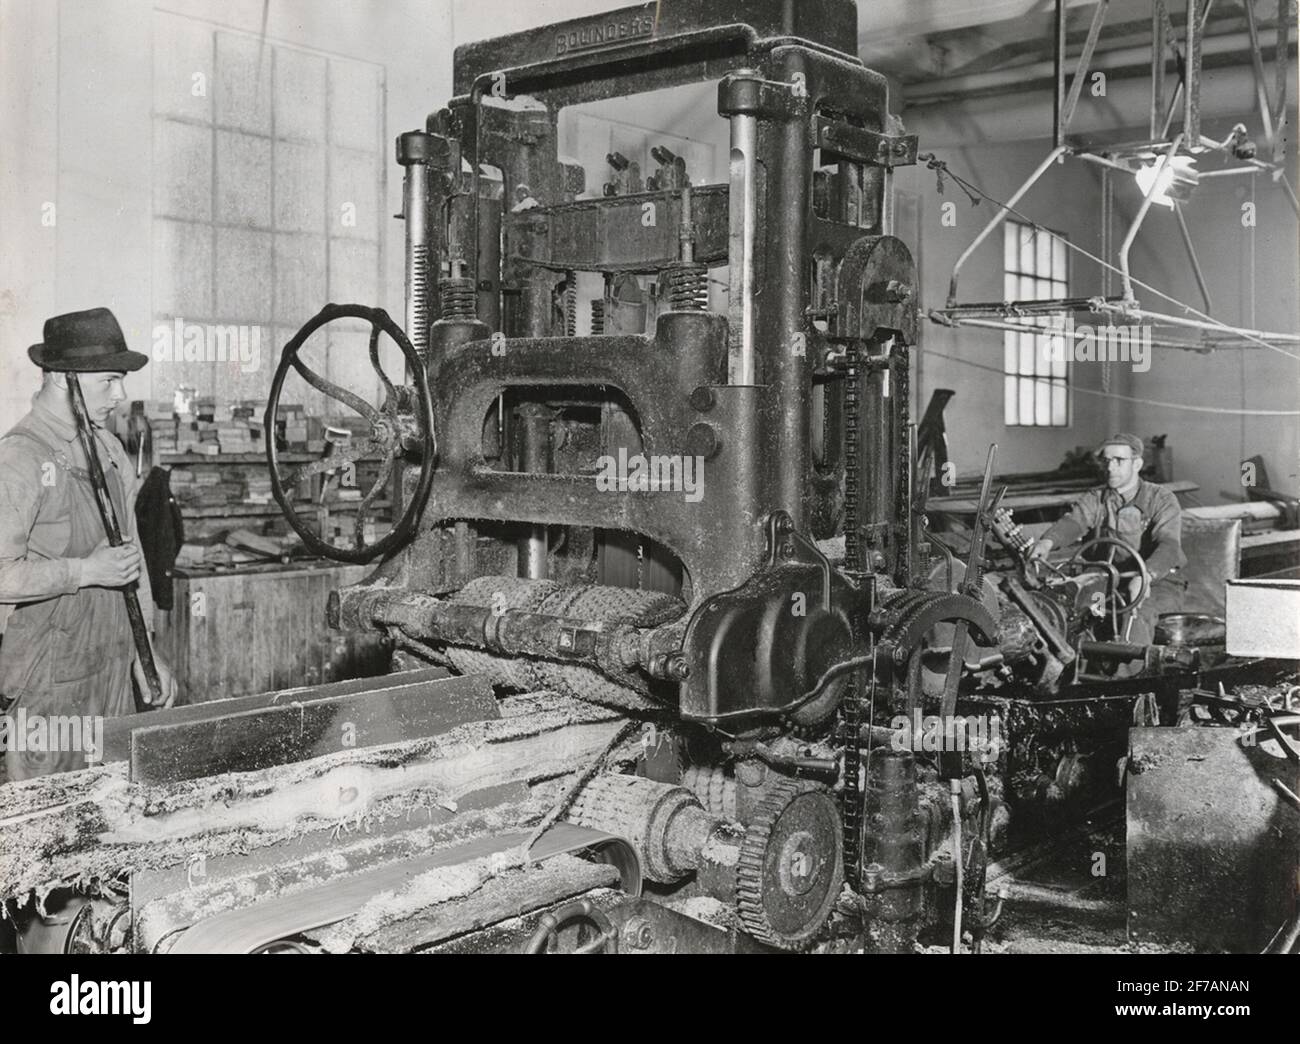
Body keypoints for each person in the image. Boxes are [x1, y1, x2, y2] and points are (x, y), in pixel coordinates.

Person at [0, 308, 176, 780]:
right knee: (48, 814)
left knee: (112, 804)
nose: (120, 396)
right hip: (50, 686)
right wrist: (85, 571)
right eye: (109, 381)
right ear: (63, 378)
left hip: (112, 672)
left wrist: (145, 652)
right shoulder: (20, 458)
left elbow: (132, 558)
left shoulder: (109, 450)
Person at [1028, 432, 1187, 648]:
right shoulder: (1096, 498)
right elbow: (1075, 522)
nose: (1110, 468)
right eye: (1107, 461)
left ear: (1137, 464)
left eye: (1119, 460)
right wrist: (1047, 542)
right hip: (1105, 579)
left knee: (1136, 614)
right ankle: (1085, 664)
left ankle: (1131, 668)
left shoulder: (1161, 499)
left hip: (1158, 581)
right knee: (1089, 612)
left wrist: (1146, 576)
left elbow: (1169, 545)